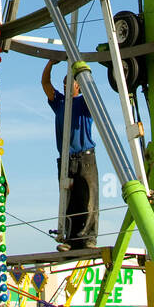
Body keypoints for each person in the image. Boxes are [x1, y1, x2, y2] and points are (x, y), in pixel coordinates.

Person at [41, 56, 99, 251]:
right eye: (65, 83)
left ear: (78, 86)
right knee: (68, 200)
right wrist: (50, 63)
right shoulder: (59, 102)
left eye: (70, 83)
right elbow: (45, 83)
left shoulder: (85, 103)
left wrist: (82, 72)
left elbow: (93, 93)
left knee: (88, 198)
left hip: (85, 156)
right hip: (66, 158)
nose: (66, 85)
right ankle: (70, 239)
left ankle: (88, 238)